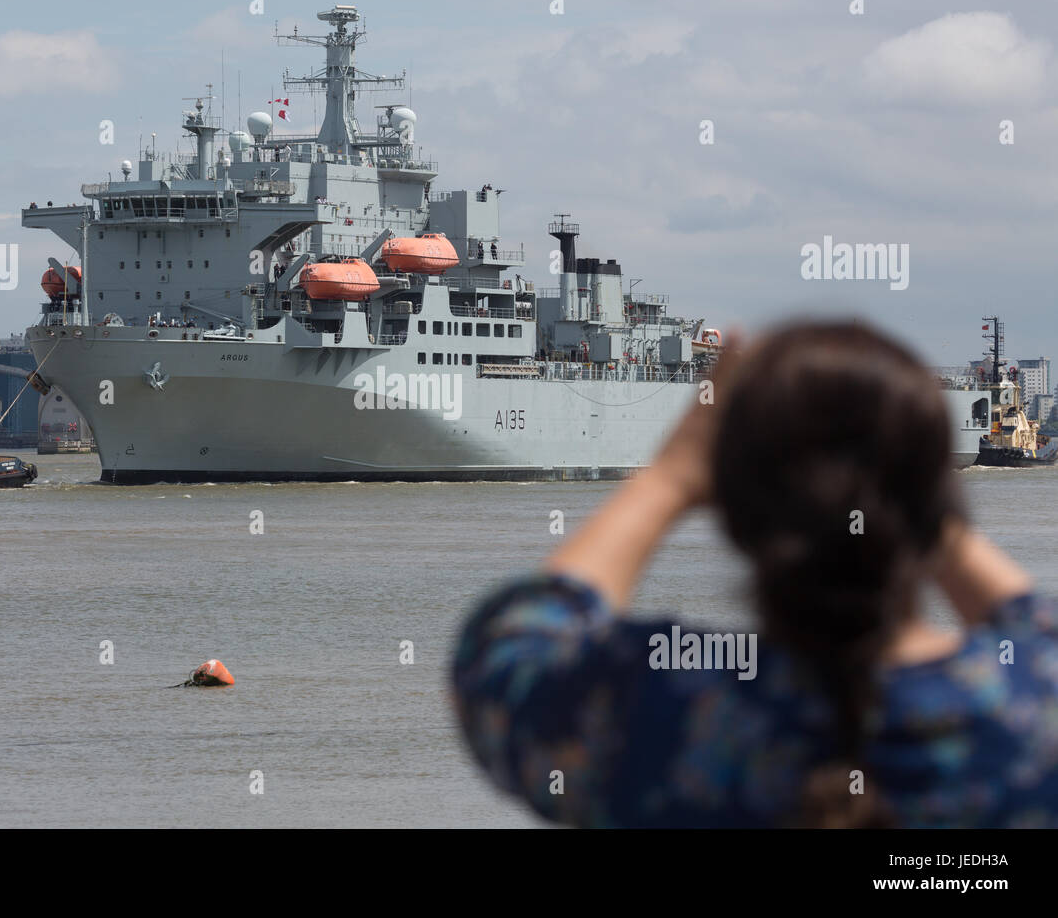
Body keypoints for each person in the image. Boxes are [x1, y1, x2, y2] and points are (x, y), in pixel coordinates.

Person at [452, 320, 1058, 827]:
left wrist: (667, 478)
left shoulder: (668, 723)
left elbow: (506, 651)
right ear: (935, 499)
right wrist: (912, 497)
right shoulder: (1031, 717)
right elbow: (1036, 633)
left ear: (732, 511)